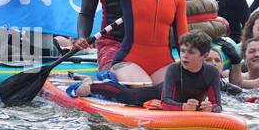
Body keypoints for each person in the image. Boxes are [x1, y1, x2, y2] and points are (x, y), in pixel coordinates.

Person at [68, 31, 222, 112]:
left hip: (186, 104)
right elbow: (166, 102)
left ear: (204, 56)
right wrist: (183, 107)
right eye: (182, 51)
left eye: (191, 52)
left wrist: (209, 108)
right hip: (159, 93)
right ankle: (91, 86)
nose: (184, 56)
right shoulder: (175, 69)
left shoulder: (212, 73)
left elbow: (217, 105)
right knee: (127, 96)